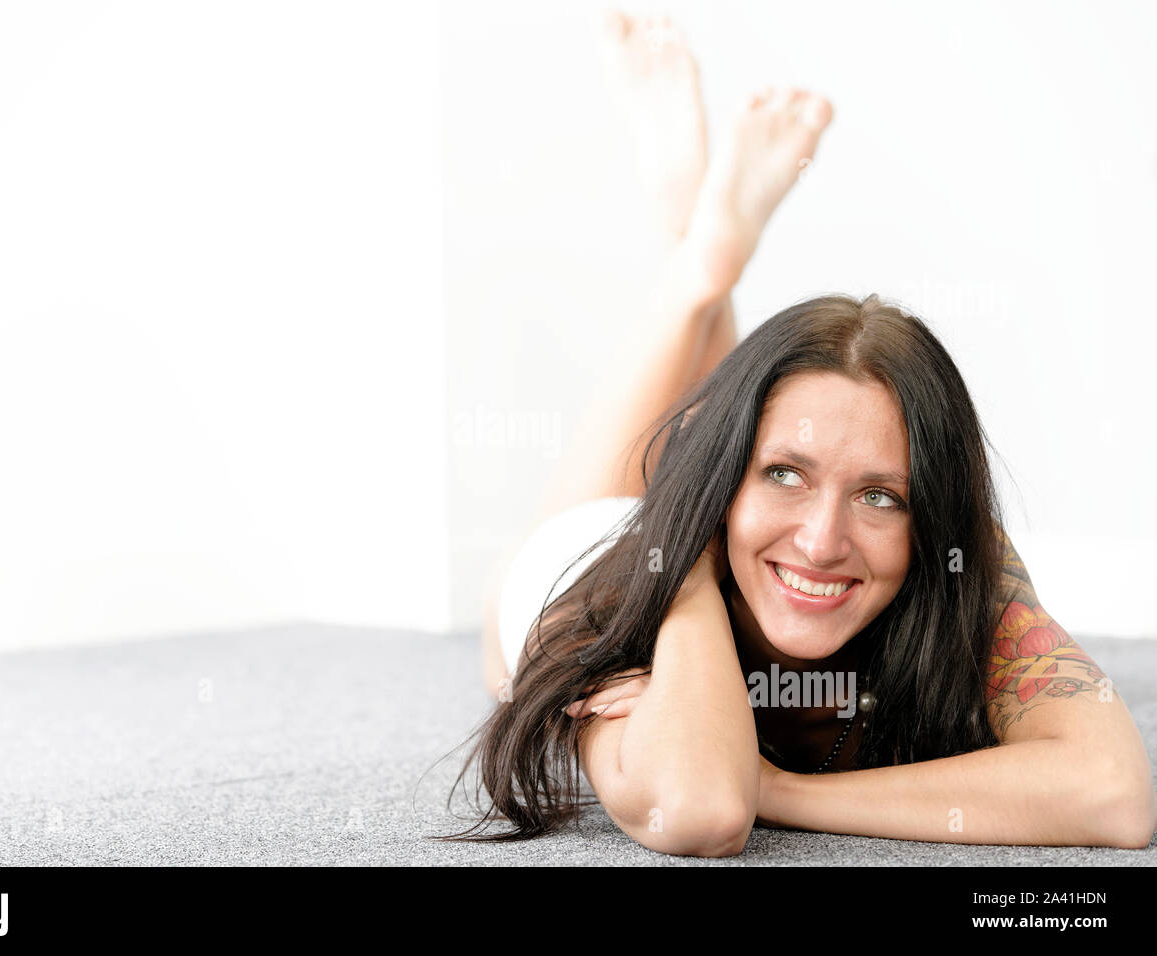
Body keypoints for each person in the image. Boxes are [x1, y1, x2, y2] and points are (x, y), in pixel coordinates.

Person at [439, 13, 1156, 856]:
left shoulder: (961, 559)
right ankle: (698, 267)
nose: (822, 542)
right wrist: (689, 570)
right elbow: (702, 809)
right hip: (578, 561)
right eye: (783, 476)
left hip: (704, 501)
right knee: (577, 533)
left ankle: (701, 248)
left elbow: (1113, 796)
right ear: (716, 489)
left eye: (881, 495)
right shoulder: (612, 604)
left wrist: (778, 788)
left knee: (753, 440)